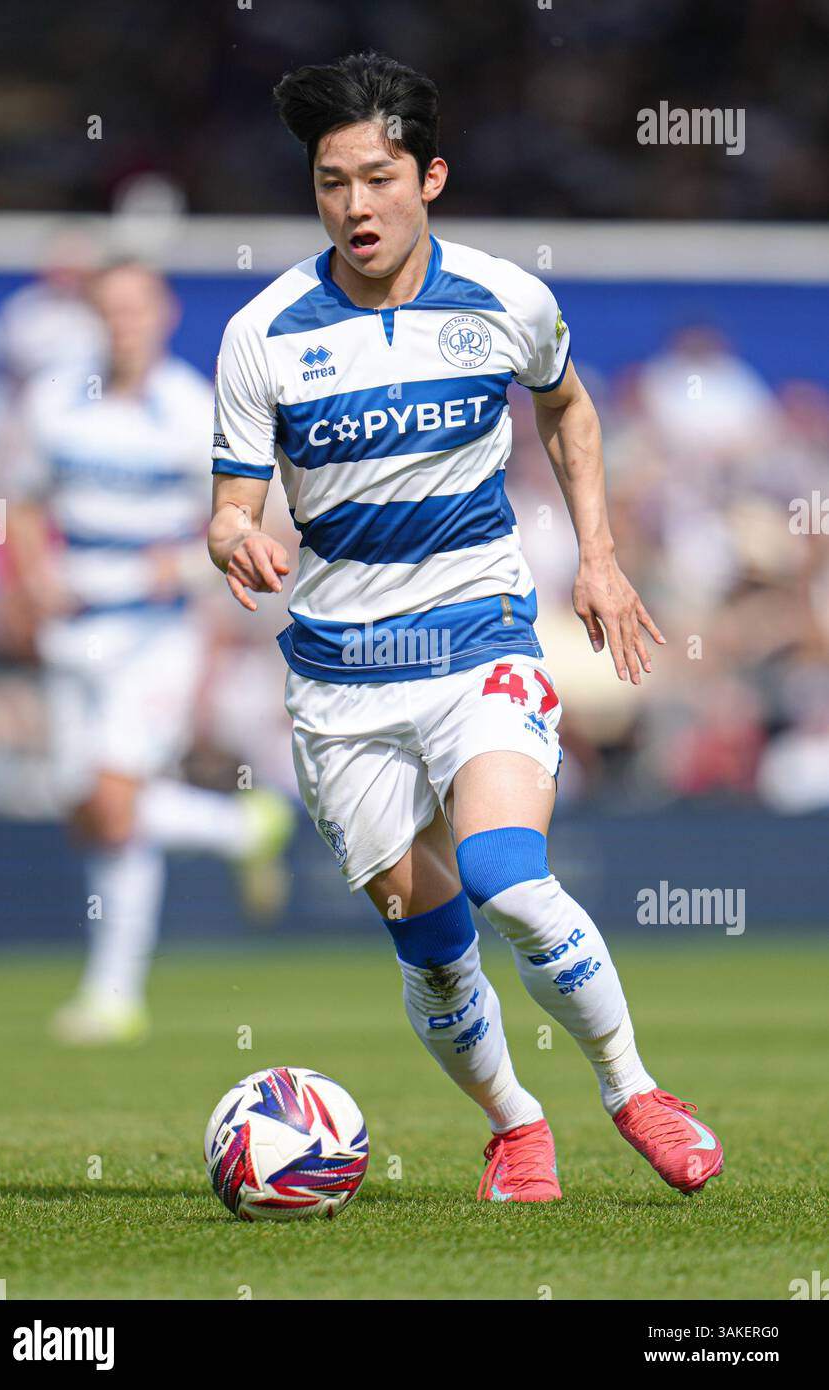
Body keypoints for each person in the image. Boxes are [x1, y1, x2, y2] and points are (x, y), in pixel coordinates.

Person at [206, 52, 724, 1200]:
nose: (354, 205)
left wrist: (594, 555)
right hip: (340, 682)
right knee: (430, 942)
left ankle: (633, 1088)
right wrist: (235, 535)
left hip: (474, 636)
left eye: (378, 177)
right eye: (332, 182)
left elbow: (568, 405)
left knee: (500, 868)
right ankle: (513, 1120)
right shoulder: (263, 333)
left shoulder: (504, 299)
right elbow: (231, 503)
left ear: (428, 177)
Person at [6, 260, 295, 1044]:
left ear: (162, 314)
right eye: (110, 309)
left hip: (153, 630)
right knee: (88, 812)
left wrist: (140, 574)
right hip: (73, 631)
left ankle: (113, 994)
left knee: (114, 799)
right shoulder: (58, 400)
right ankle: (241, 828)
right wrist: (33, 584)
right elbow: (24, 505)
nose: (123, 323)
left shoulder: (188, 410)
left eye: (136, 309)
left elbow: (233, 524)